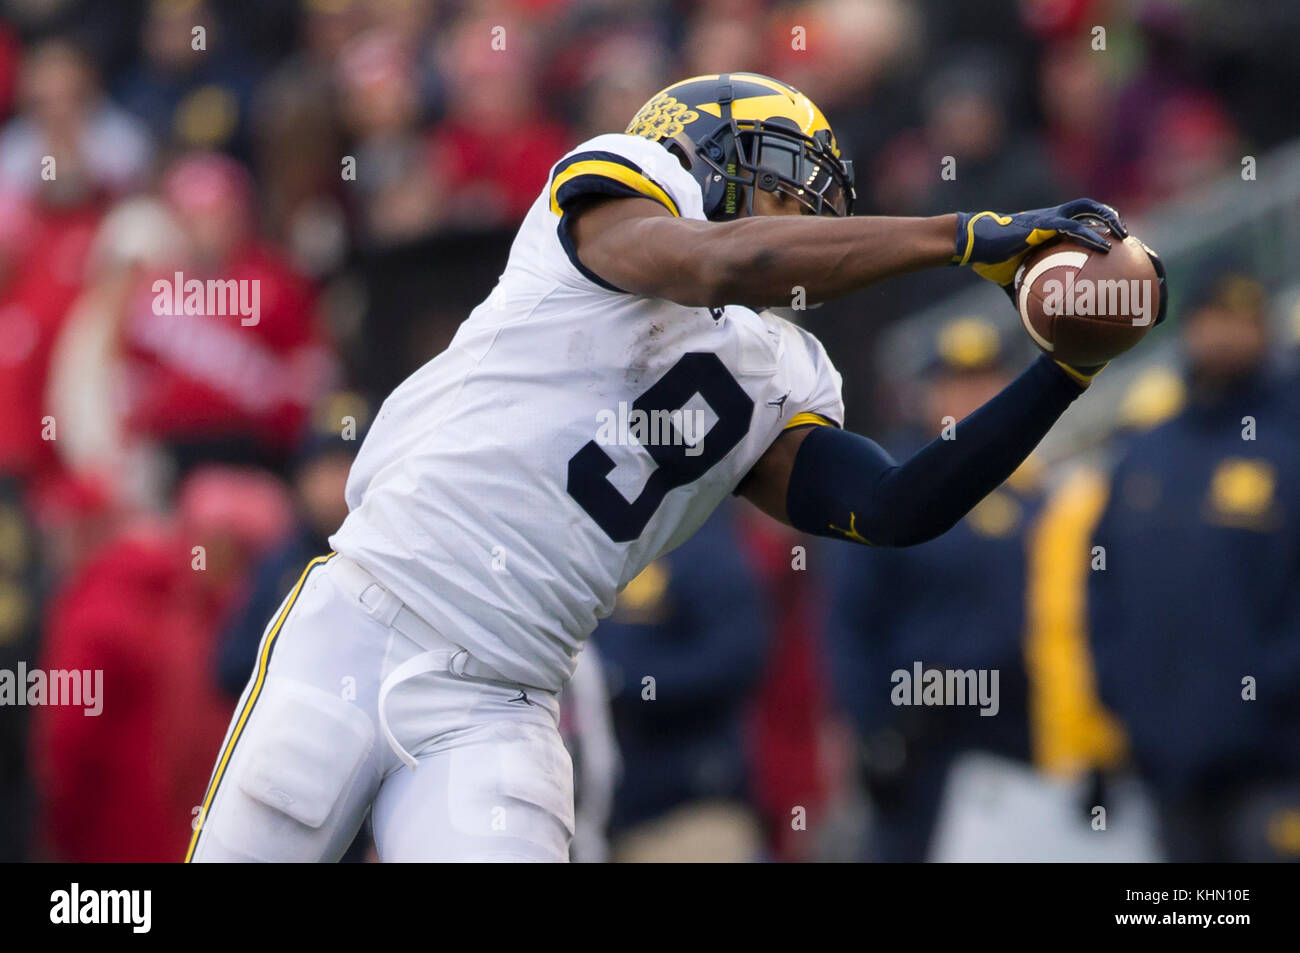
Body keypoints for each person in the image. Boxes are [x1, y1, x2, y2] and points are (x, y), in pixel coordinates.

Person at [188, 72, 1162, 863]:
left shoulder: (782, 369)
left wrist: (1064, 372)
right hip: (366, 623)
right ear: (700, 149)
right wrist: (964, 236)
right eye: (784, 179)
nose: (805, 208)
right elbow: (716, 264)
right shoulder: (613, 196)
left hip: (507, 696)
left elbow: (895, 506)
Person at [1088, 269, 1300, 861]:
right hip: (1164, 766)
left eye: (1243, 321)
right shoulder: (1146, 452)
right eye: (1214, 319)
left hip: (1274, 765)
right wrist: (1120, 698)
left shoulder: (1289, 445)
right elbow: (1101, 584)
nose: (1225, 335)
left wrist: (1267, 698)